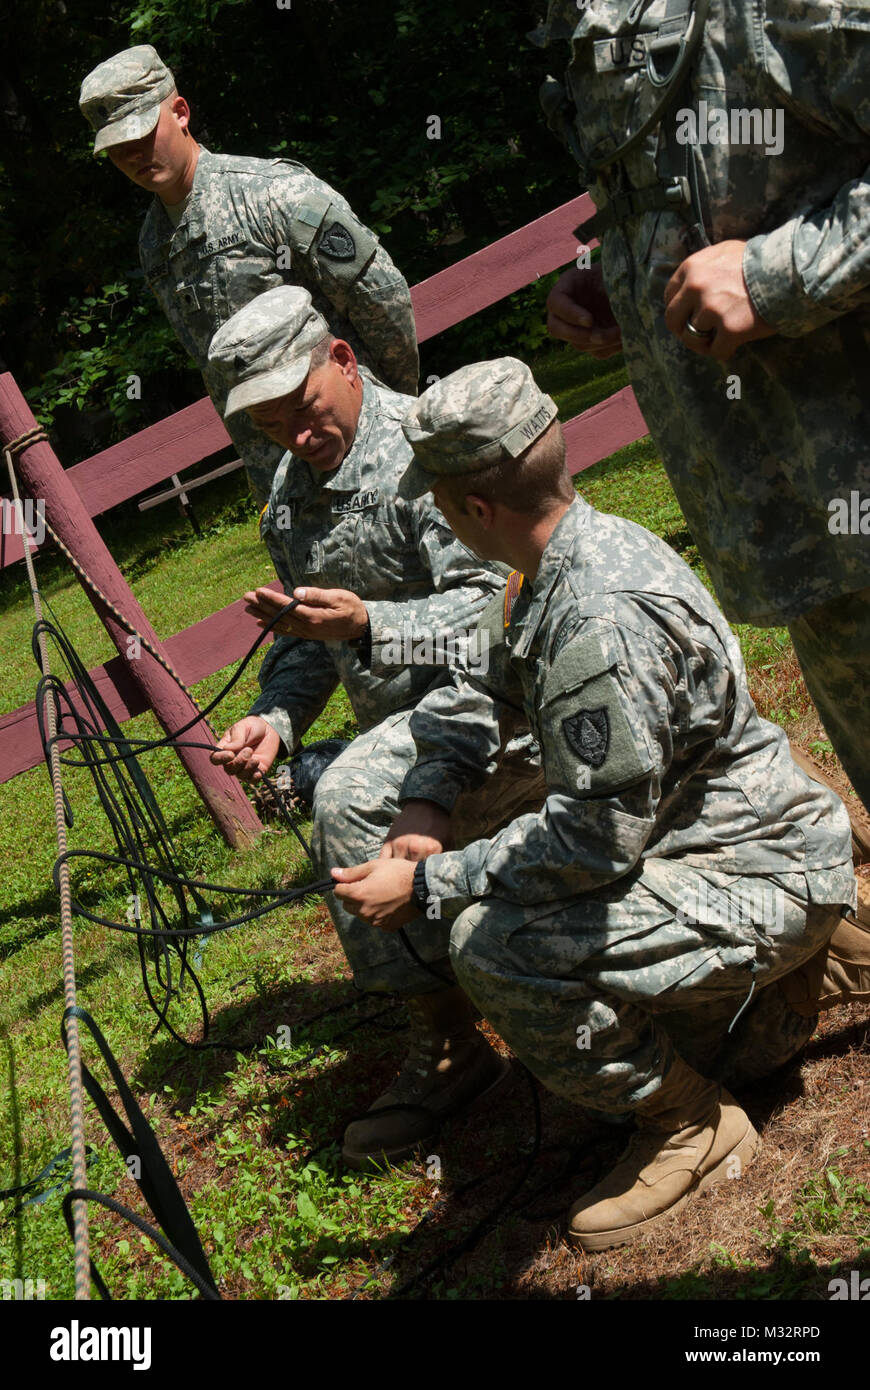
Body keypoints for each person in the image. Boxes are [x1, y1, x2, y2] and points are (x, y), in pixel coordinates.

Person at [331, 358, 865, 1250]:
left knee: (494, 944)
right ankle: (811, 969)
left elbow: (590, 846)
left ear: (473, 511)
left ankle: (691, 1124)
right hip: (733, 843)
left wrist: (430, 888)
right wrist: (425, 815)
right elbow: (488, 690)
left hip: (748, 863)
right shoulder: (564, 555)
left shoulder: (591, 622)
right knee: (519, 905)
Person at [206, 288, 546, 1169]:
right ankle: (453, 1031)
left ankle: (454, 1036)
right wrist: (275, 717)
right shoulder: (289, 495)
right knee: (346, 777)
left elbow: (495, 611)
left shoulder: (425, 451)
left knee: (350, 796)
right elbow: (308, 638)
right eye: (270, 421)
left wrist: (371, 625)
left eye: (304, 406)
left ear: (346, 363)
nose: (294, 432)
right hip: (403, 723)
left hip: (500, 701)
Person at [533, 0, 870, 817]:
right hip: (809, 531)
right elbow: (682, 179)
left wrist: (776, 275)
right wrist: (615, 269)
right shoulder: (575, 21)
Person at [78, 44, 419, 506]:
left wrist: (395, 404)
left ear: (180, 112)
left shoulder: (272, 194)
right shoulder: (153, 243)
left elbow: (382, 297)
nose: (135, 155)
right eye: (119, 149)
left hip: (363, 448)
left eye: (143, 133)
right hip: (281, 481)